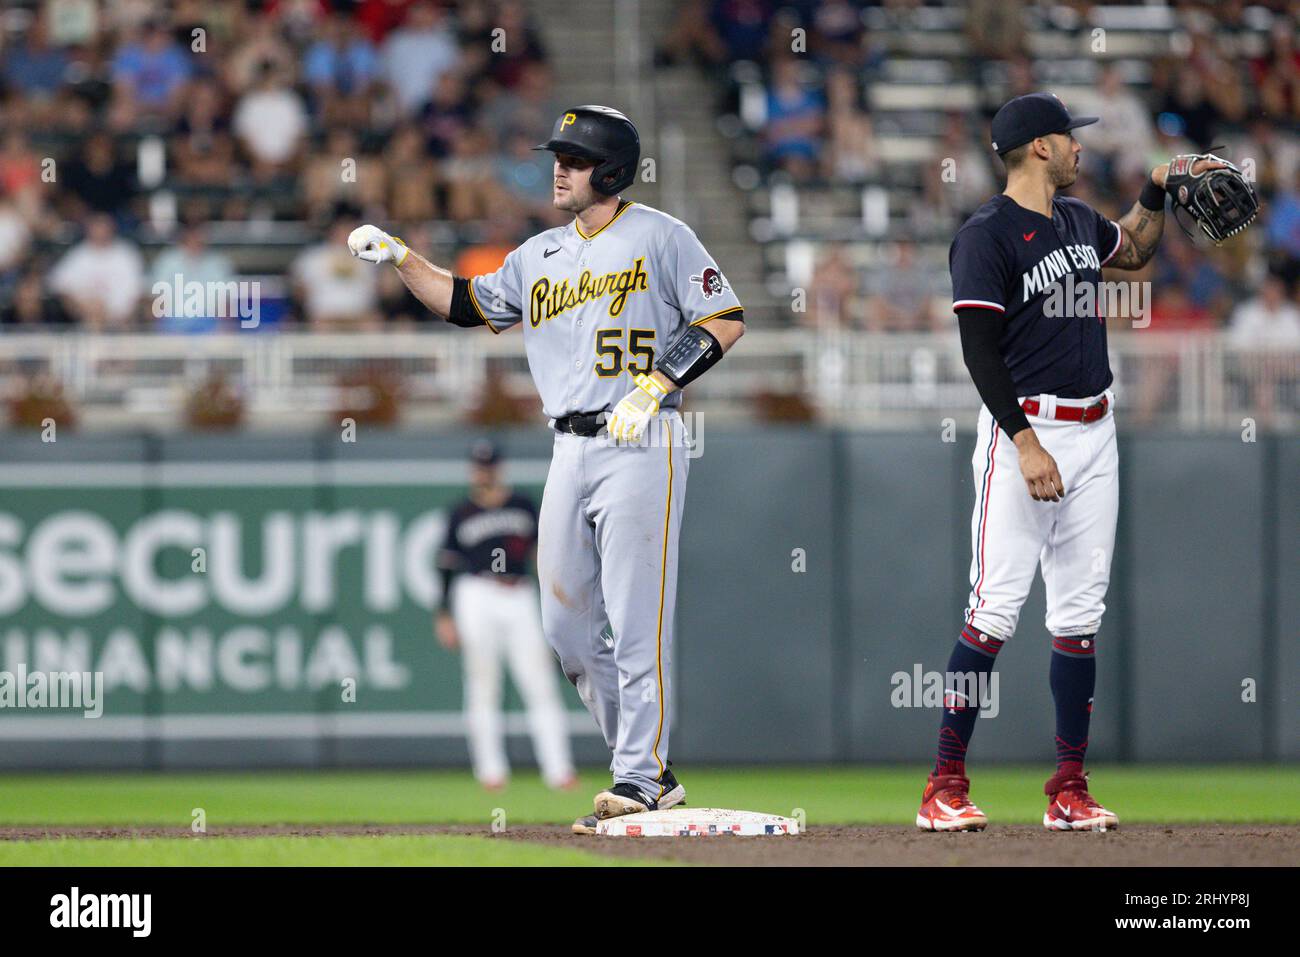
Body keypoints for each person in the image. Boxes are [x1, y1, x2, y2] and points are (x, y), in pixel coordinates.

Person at [346, 105, 745, 833]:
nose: (558, 167)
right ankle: (648, 767)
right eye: (557, 155)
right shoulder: (538, 255)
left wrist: (657, 384)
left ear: (614, 169)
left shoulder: (662, 235)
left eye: (575, 157)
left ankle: (638, 771)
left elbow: (724, 317)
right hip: (567, 443)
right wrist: (403, 256)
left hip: (642, 437)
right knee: (564, 628)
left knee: (635, 618)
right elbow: (467, 305)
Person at [919, 92, 1231, 832]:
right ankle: (944, 784)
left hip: (1097, 428)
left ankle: (1068, 788)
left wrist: (1155, 187)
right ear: (1037, 147)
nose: (1078, 147)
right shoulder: (986, 236)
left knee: (1078, 617)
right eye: (1068, 137)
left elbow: (1139, 248)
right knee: (993, 610)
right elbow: (978, 350)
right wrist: (1023, 441)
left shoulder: (1080, 221)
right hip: (1028, 428)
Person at [436, 440, 577, 792]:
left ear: (500, 468)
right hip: (476, 593)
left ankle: (559, 771)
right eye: (480, 466)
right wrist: (443, 613)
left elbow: (541, 558)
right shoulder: (461, 513)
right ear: (473, 470)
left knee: (539, 683)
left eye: (490, 465)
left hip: (519, 593)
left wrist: (554, 603)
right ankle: (490, 772)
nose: (485, 472)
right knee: (483, 683)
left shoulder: (523, 505)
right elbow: (446, 567)